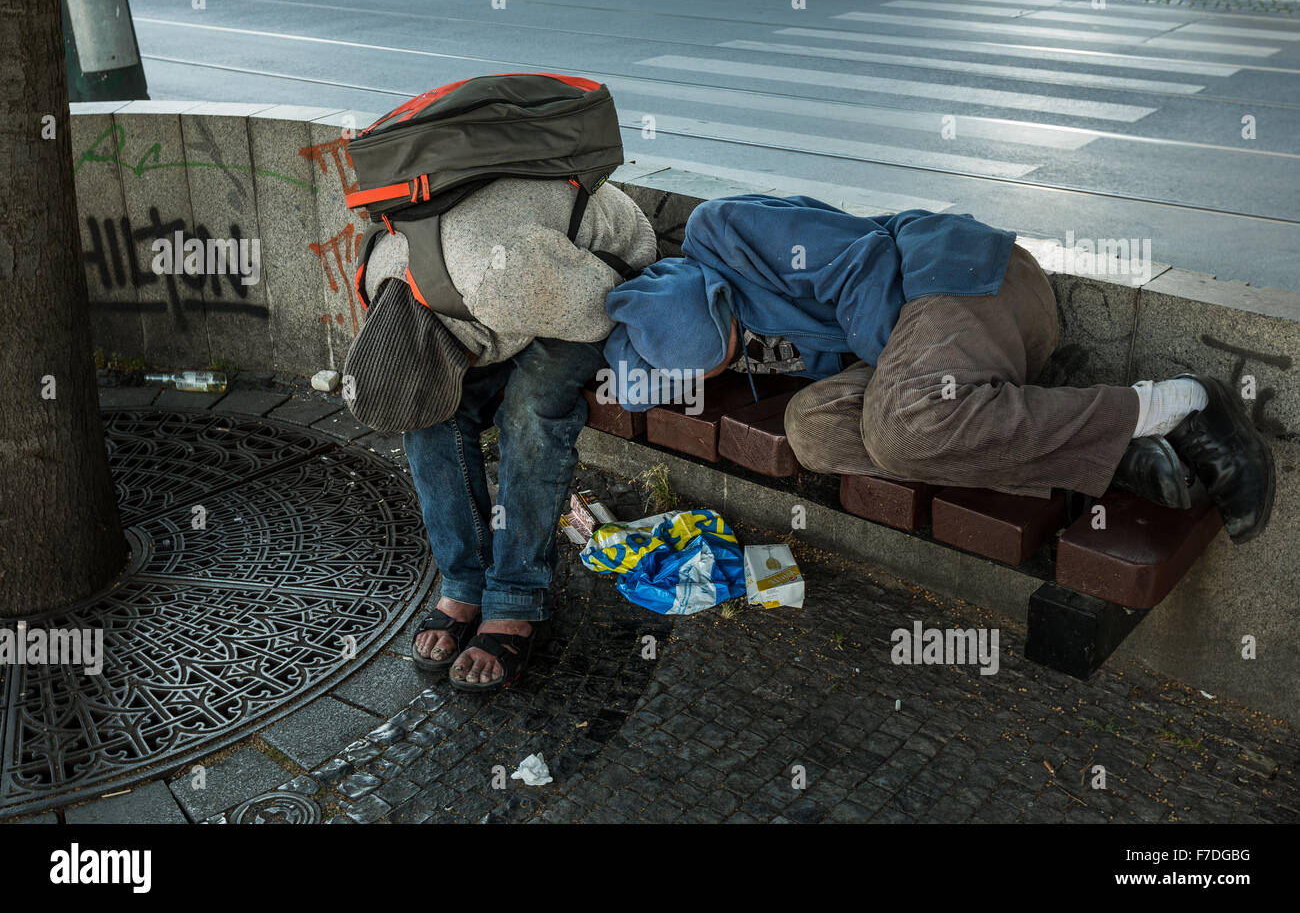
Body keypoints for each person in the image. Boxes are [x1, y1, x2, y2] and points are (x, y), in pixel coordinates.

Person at [602, 194, 1274, 543]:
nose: (739, 349)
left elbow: (864, 259)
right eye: (720, 359)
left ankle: (1180, 403)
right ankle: (1114, 448)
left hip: (967, 285)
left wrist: (905, 378)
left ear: (712, 295)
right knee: (812, 428)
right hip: (943, 360)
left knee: (900, 426)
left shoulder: (726, 229)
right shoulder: (675, 327)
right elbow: (633, 374)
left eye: (730, 336)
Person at [362, 176, 657, 690]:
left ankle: (515, 597)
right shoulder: (380, 273)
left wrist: (507, 346)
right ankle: (464, 582)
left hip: (596, 273)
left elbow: (592, 308)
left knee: (529, 409)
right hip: (512, 273)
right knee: (432, 412)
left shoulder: (501, 281)